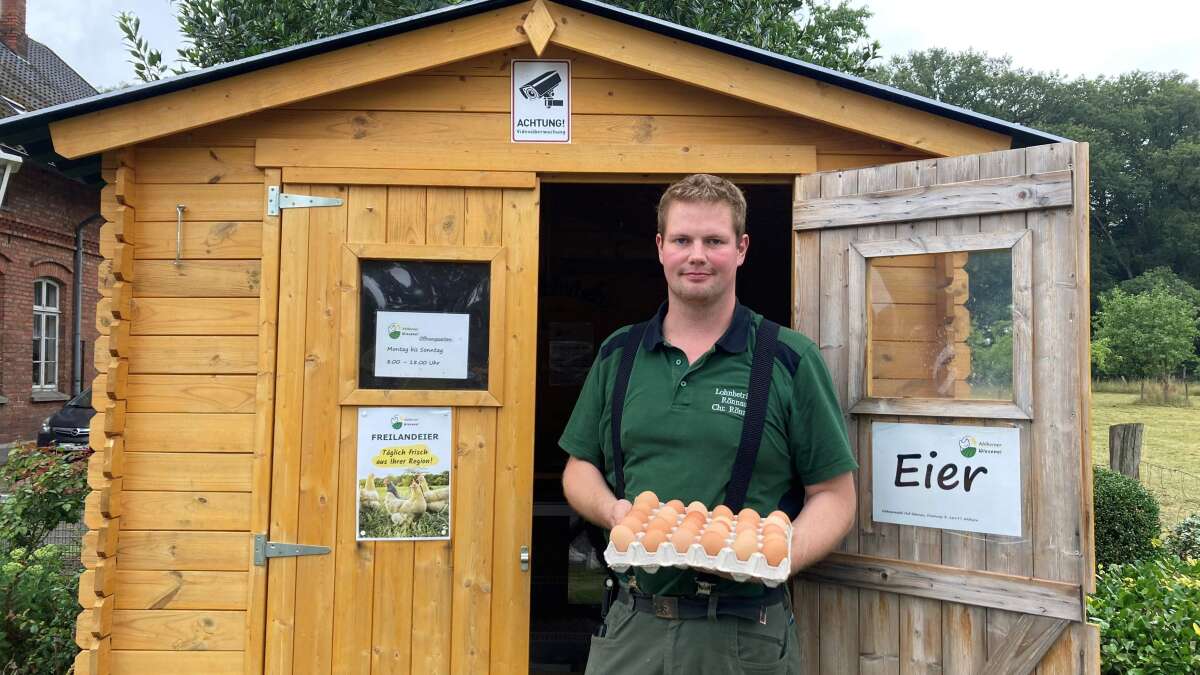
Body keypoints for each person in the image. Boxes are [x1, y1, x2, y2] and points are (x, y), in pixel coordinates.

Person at [559, 174, 858, 674]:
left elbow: (834, 494)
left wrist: (769, 555)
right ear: (660, 248)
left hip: (743, 634)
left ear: (740, 249)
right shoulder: (621, 353)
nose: (697, 255)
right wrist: (614, 511)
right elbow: (579, 466)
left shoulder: (787, 359)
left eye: (714, 241)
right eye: (682, 240)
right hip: (631, 626)